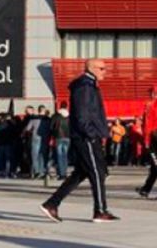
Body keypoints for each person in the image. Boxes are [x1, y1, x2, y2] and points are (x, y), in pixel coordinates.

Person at [41, 59, 119, 223]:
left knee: (82, 172)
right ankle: (100, 211)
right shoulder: (84, 86)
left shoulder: (88, 85)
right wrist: (91, 134)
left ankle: (52, 204)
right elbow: (82, 114)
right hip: (86, 137)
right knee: (98, 172)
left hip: (87, 135)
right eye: (102, 68)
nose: (105, 71)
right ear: (91, 69)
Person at [50, 105, 70, 179]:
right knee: (65, 155)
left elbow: (51, 127)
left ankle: (61, 173)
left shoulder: (56, 116)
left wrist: (52, 135)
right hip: (67, 137)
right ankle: (64, 172)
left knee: (59, 156)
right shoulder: (69, 117)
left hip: (58, 137)